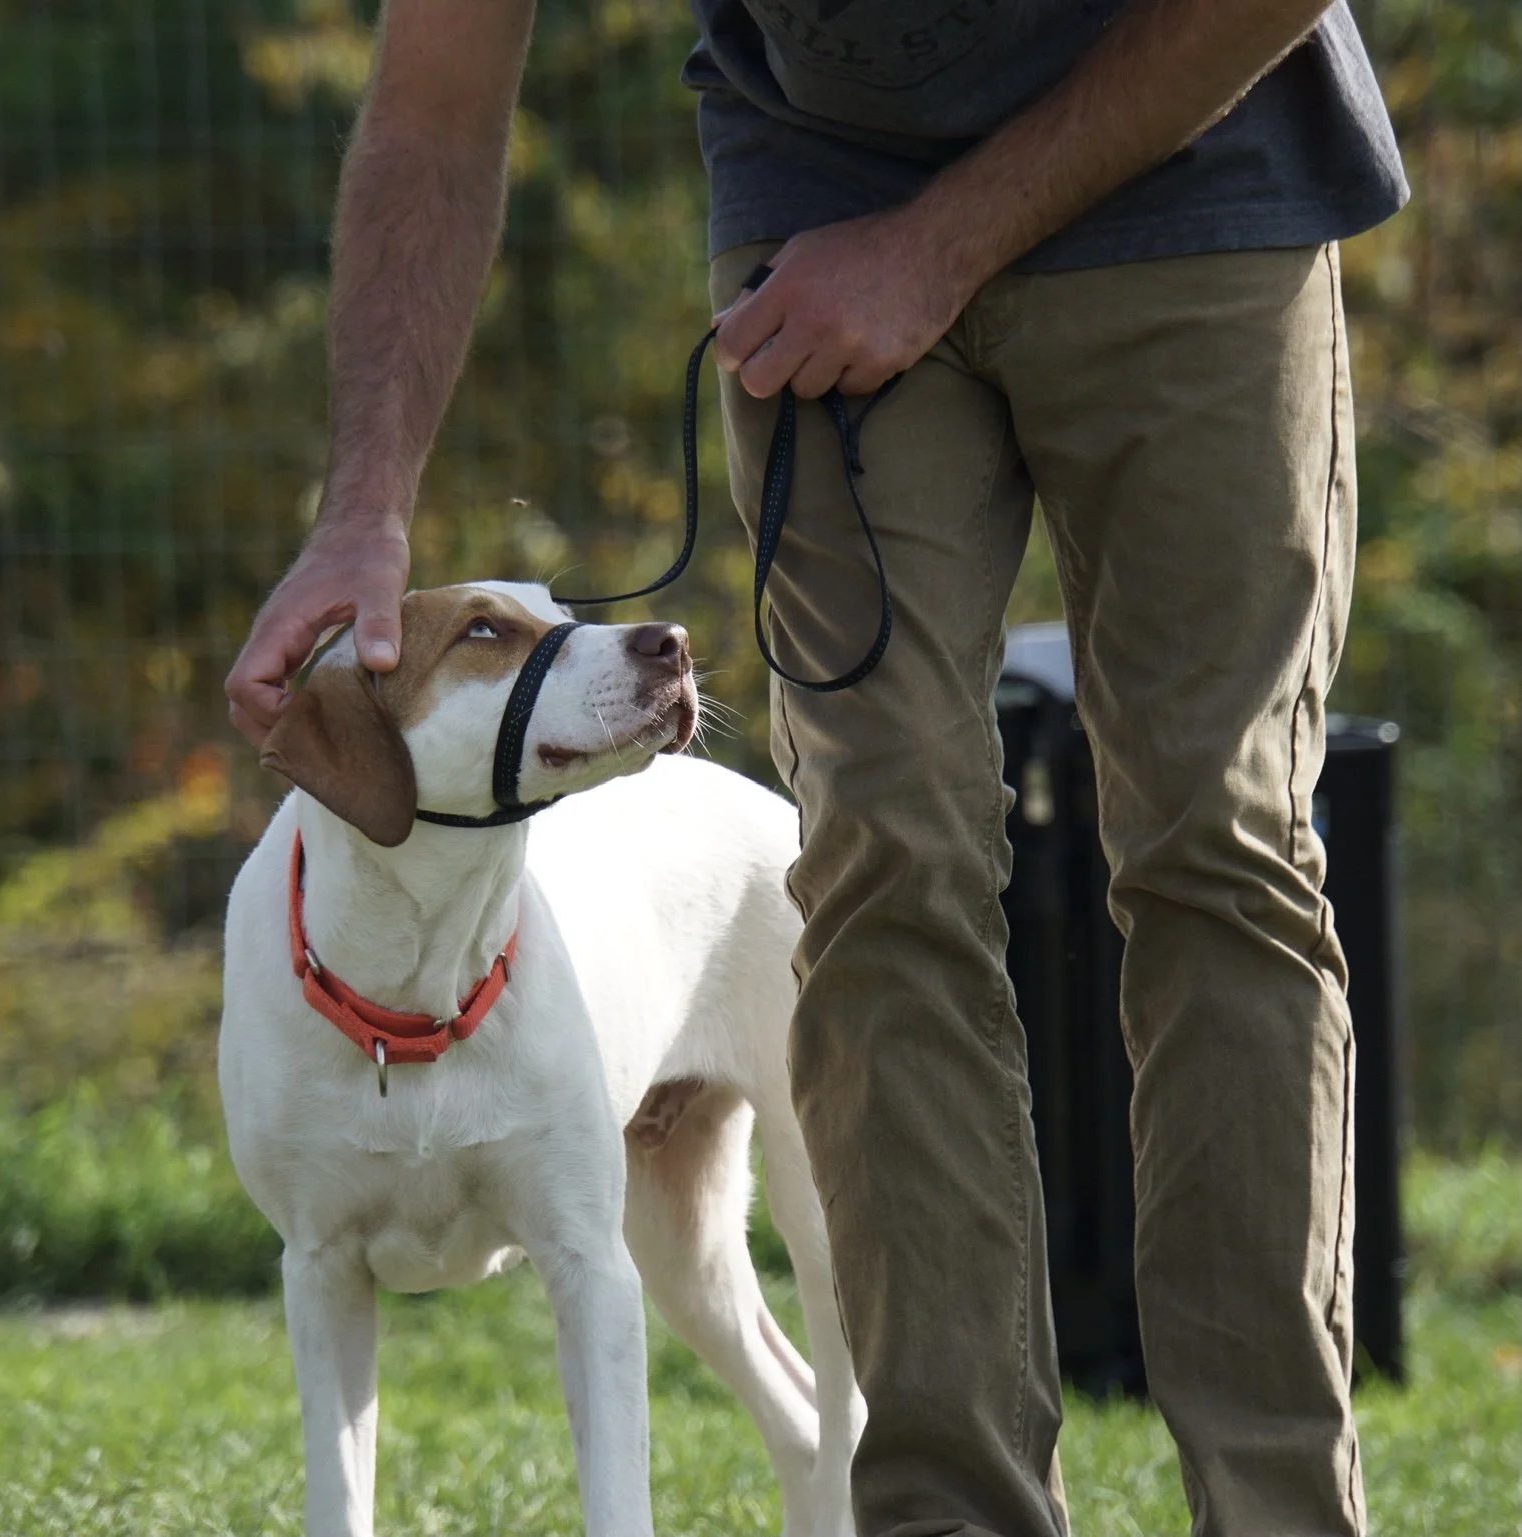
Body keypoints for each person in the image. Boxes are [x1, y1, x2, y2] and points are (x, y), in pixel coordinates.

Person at [226, 0, 1407, 1532]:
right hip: (818, 222)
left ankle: (1276, 1513)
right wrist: (365, 509)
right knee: (880, 872)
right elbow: (437, 101)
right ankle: (945, 1514)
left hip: (1198, 171)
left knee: (1214, 855)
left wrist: (939, 246)